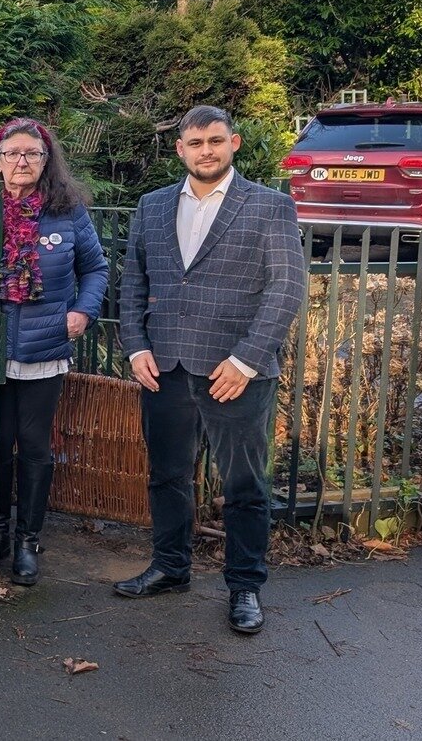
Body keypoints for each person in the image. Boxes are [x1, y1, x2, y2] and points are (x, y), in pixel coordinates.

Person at [114, 104, 306, 635]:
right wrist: (135, 347)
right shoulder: (152, 207)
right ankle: (170, 567)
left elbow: (286, 288)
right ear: (180, 149)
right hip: (165, 366)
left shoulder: (269, 207)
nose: (206, 151)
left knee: (244, 485)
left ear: (234, 143)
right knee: (167, 476)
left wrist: (246, 359)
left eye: (215, 141)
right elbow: (132, 283)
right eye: (195, 143)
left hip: (235, 372)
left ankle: (245, 586)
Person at [0, 118, 108, 585]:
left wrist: (83, 312)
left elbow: (96, 269)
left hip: (45, 346)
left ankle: (29, 539)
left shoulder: (67, 213)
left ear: (47, 162)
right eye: (11, 153)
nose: (21, 161)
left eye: (31, 153)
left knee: (36, 449)